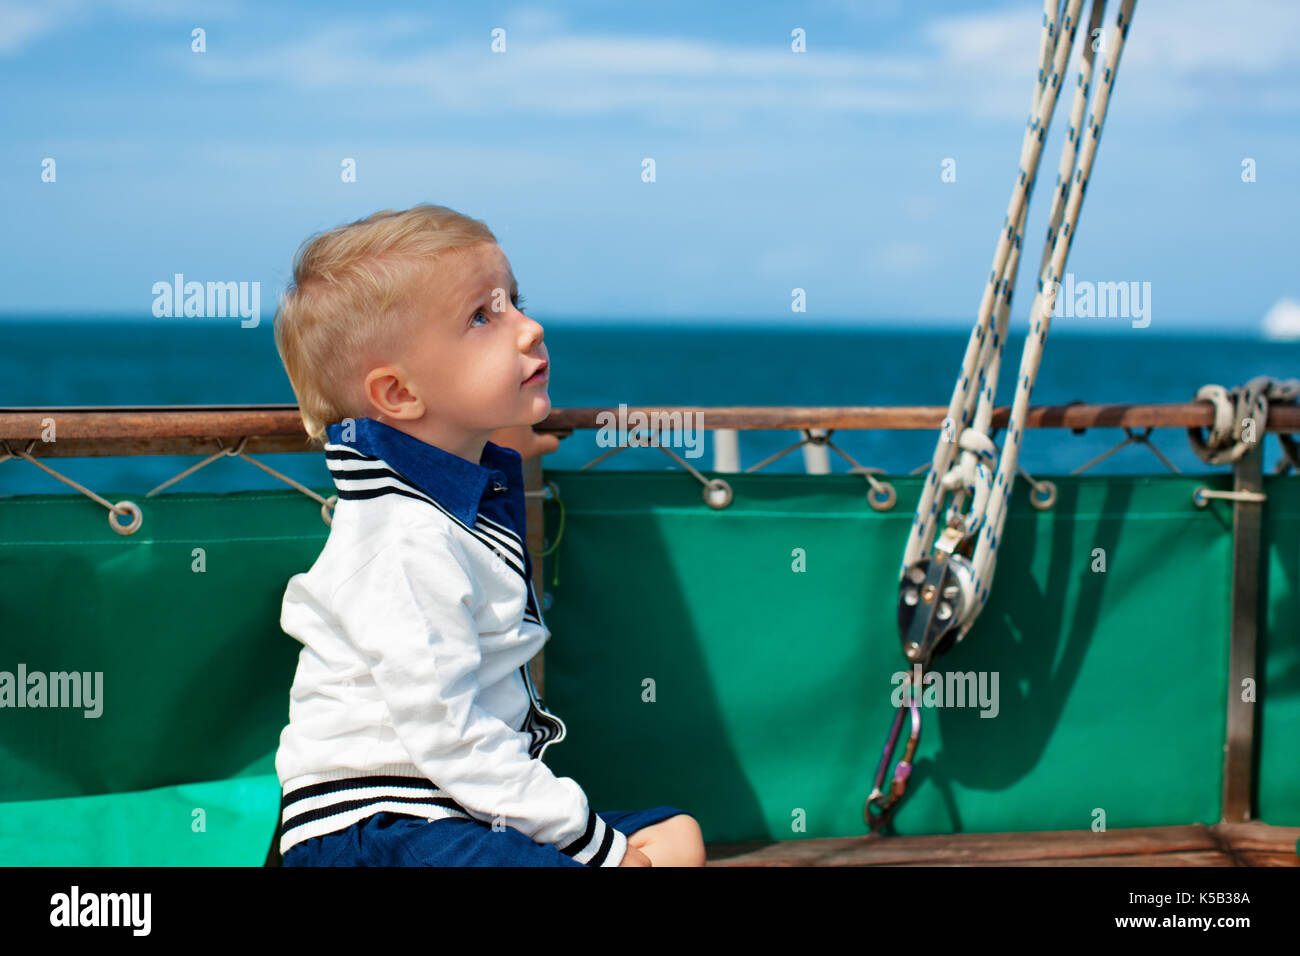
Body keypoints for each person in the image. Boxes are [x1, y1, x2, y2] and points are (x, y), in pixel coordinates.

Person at [268, 204, 704, 867]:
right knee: (627, 857)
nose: (530, 329)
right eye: (482, 316)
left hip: (462, 809)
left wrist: (497, 435)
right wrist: (599, 848)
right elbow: (450, 737)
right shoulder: (404, 542)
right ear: (399, 393)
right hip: (381, 830)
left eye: (514, 303)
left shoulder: (450, 491)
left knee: (675, 835)